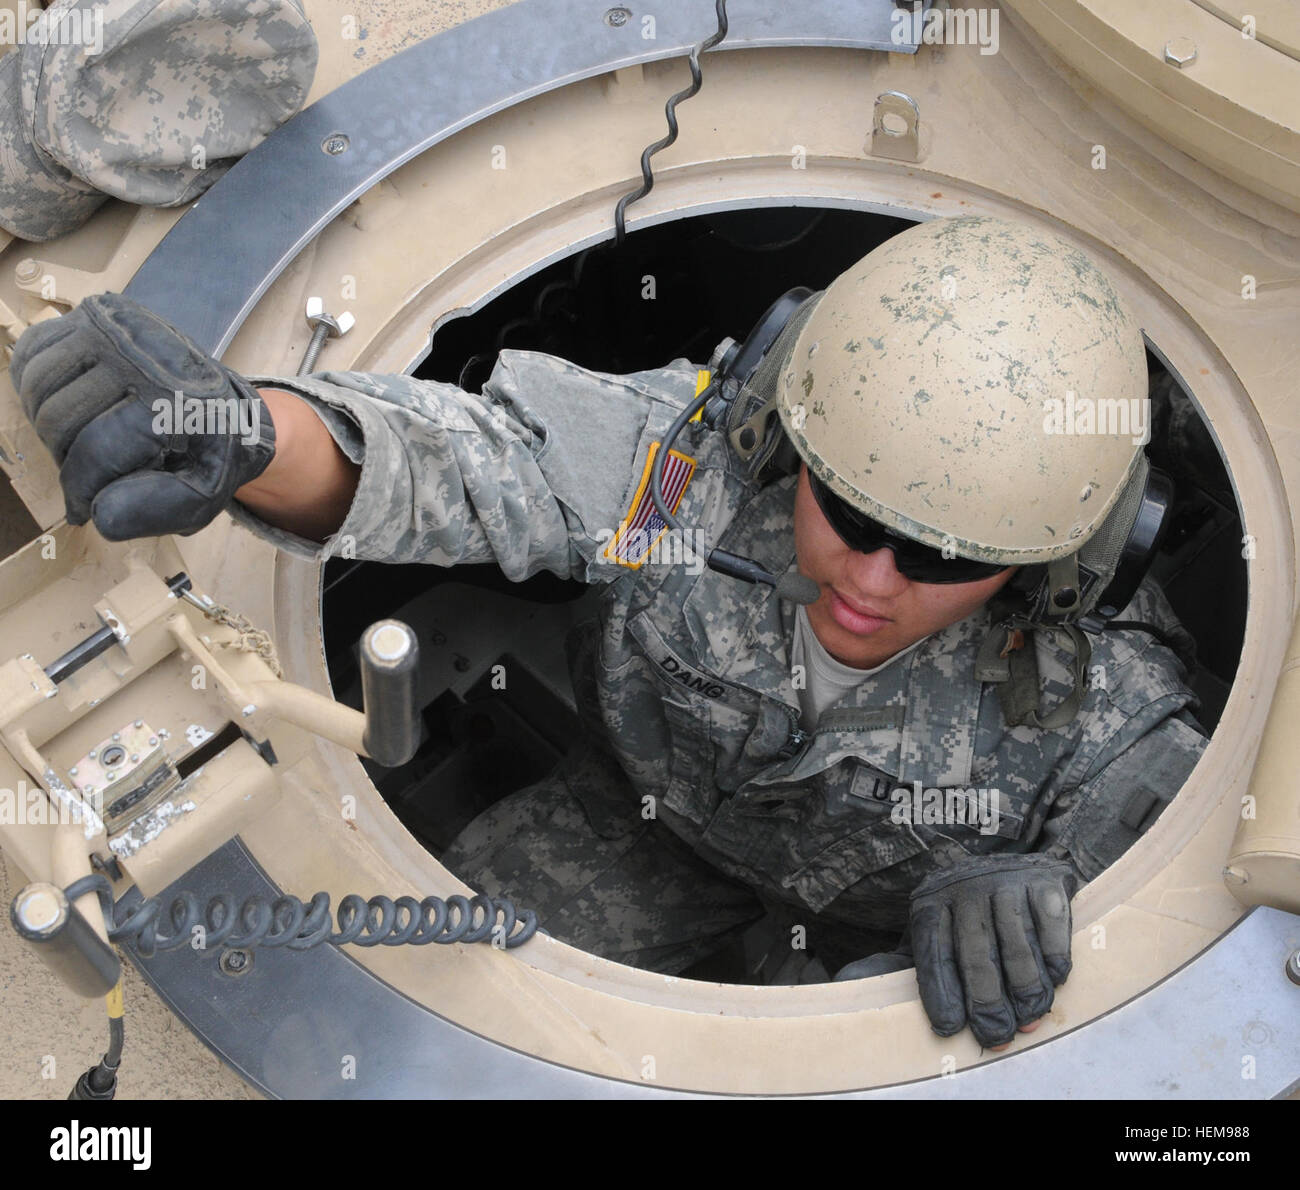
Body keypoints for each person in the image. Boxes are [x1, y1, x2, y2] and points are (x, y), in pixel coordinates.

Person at [9, 215, 1208, 1049]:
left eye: (945, 554)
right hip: (637, 821)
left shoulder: (1101, 699)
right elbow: (479, 461)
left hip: (879, 928)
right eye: (845, 506)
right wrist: (254, 436)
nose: (872, 573)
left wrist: (1041, 892)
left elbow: (1170, 894)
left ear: (1041, 560)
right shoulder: (683, 472)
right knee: (423, 996)